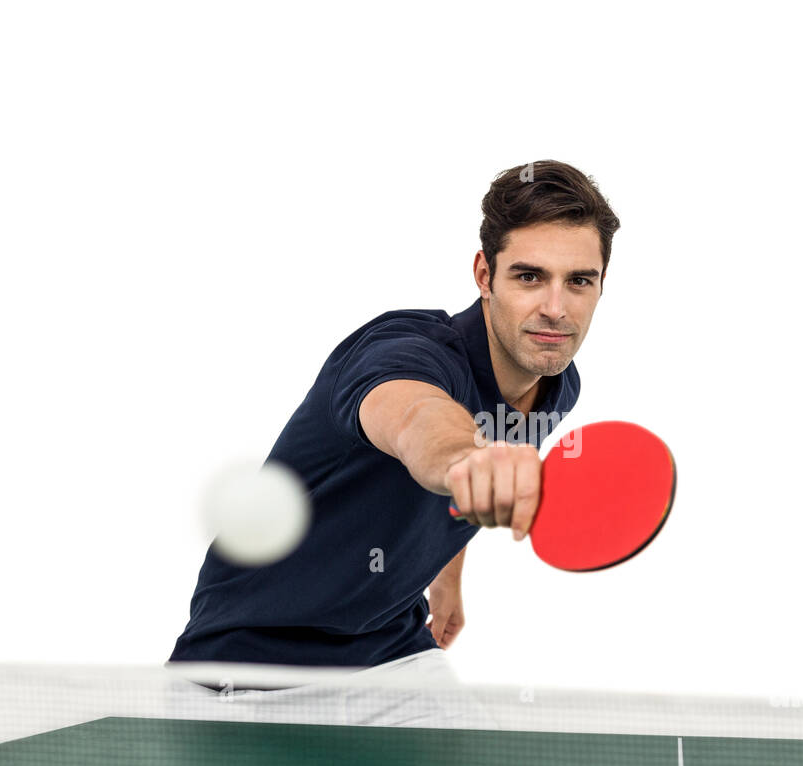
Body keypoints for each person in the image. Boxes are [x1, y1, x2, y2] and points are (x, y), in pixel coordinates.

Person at [168, 160, 621, 699]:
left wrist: (446, 576)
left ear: (601, 285)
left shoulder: (556, 384)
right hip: (254, 663)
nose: (554, 308)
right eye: (529, 276)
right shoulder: (404, 353)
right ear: (484, 275)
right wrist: (466, 459)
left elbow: (458, 488)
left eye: (578, 281)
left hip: (390, 646)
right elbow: (418, 422)